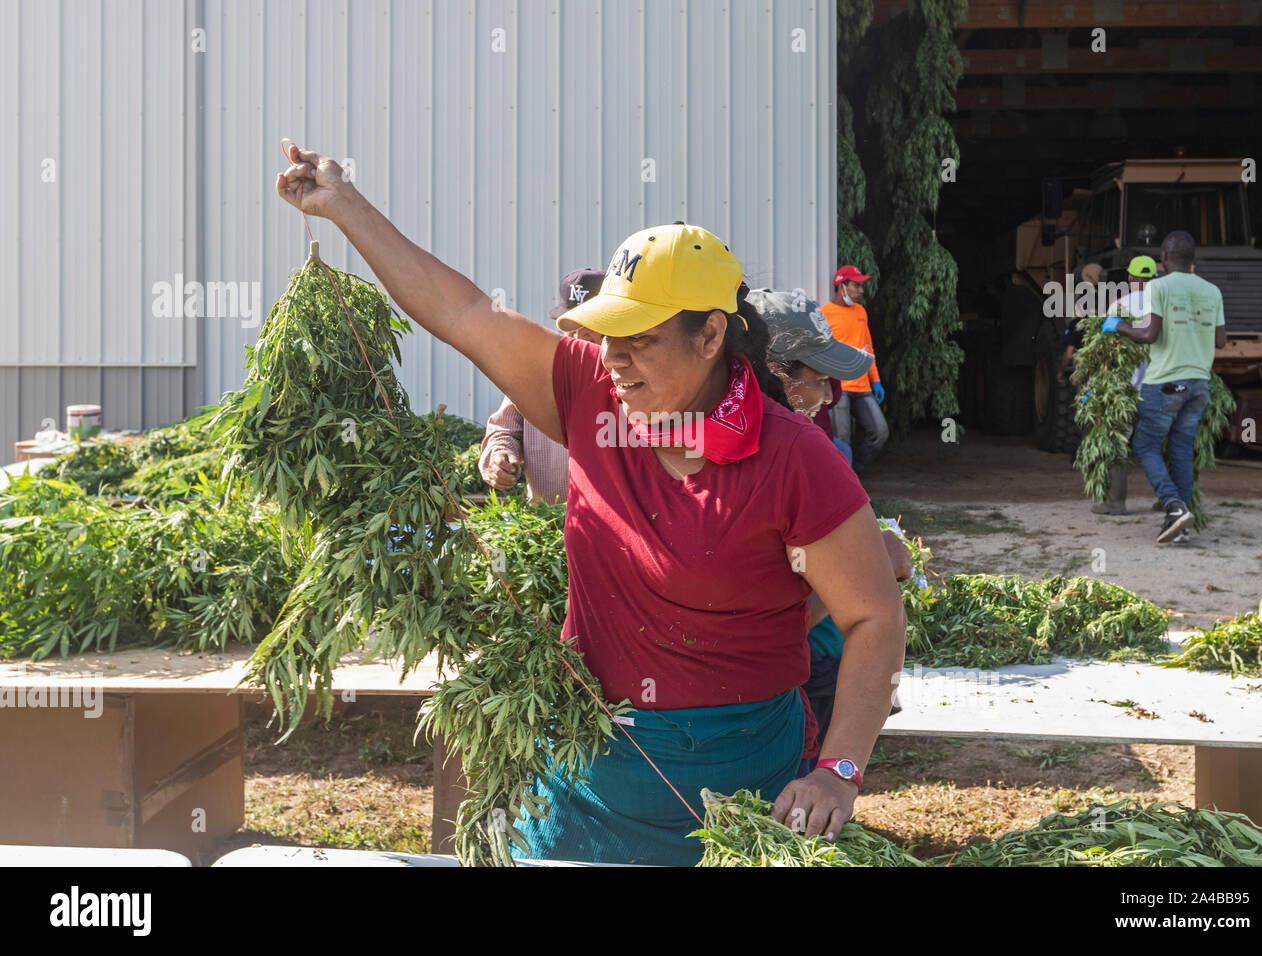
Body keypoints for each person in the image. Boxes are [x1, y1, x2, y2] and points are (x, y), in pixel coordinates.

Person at [277, 147, 905, 865]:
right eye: (607, 335)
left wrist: (839, 770)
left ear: (710, 336)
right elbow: (463, 311)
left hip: (742, 781)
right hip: (590, 771)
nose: (614, 358)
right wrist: (345, 206)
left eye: (640, 339)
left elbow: (874, 616)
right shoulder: (588, 394)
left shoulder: (795, 459)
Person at [747, 288, 915, 768]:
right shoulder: (767, 469)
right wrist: (875, 566)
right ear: (775, 374)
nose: (827, 397)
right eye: (818, 380)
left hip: (821, 661)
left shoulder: (812, 450)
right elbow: (775, 620)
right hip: (804, 670)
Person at [1103, 231, 1226, 544]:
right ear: (1192, 259)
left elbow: (1149, 335)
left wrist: (1118, 326)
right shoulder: (1212, 291)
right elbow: (1221, 340)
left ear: (1165, 259)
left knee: (1145, 444)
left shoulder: (1158, 286)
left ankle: (1173, 506)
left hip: (1166, 382)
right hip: (1199, 382)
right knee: (1182, 449)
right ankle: (1180, 526)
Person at [478, 268, 604, 503]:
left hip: (613, 527)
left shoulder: (628, 375)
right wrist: (501, 456)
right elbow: (504, 430)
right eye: (571, 324)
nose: (580, 335)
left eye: (591, 323)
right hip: (545, 521)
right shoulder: (537, 370)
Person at [1084, 255, 1158, 517]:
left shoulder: (1120, 305)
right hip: (1157, 387)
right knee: (1162, 443)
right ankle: (1169, 499)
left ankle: (1116, 502)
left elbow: (1104, 352)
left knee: (1117, 442)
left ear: (1131, 278)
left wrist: (1091, 387)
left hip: (1124, 389)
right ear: (1154, 279)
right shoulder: (1164, 306)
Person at [821, 266, 888, 472]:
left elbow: (868, 347)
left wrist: (875, 380)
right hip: (839, 386)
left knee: (879, 432)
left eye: (861, 286)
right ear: (842, 286)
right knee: (842, 439)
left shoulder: (861, 312)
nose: (861, 291)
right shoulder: (824, 314)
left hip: (863, 385)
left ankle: (856, 470)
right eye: (856, 286)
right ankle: (848, 483)